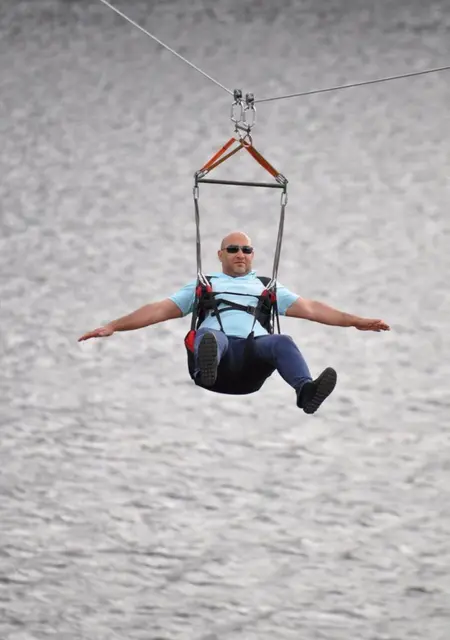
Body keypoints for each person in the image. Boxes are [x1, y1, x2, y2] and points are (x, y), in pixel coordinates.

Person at [78, 231, 390, 413]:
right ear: (220, 254)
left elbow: (311, 308)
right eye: (233, 249)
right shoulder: (205, 284)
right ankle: (207, 367)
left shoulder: (266, 287)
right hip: (219, 357)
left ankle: (305, 392)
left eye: (246, 250)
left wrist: (354, 321)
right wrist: (114, 326)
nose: (240, 254)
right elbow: (159, 310)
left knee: (282, 341)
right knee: (211, 337)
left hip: (251, 361)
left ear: (252, 255)